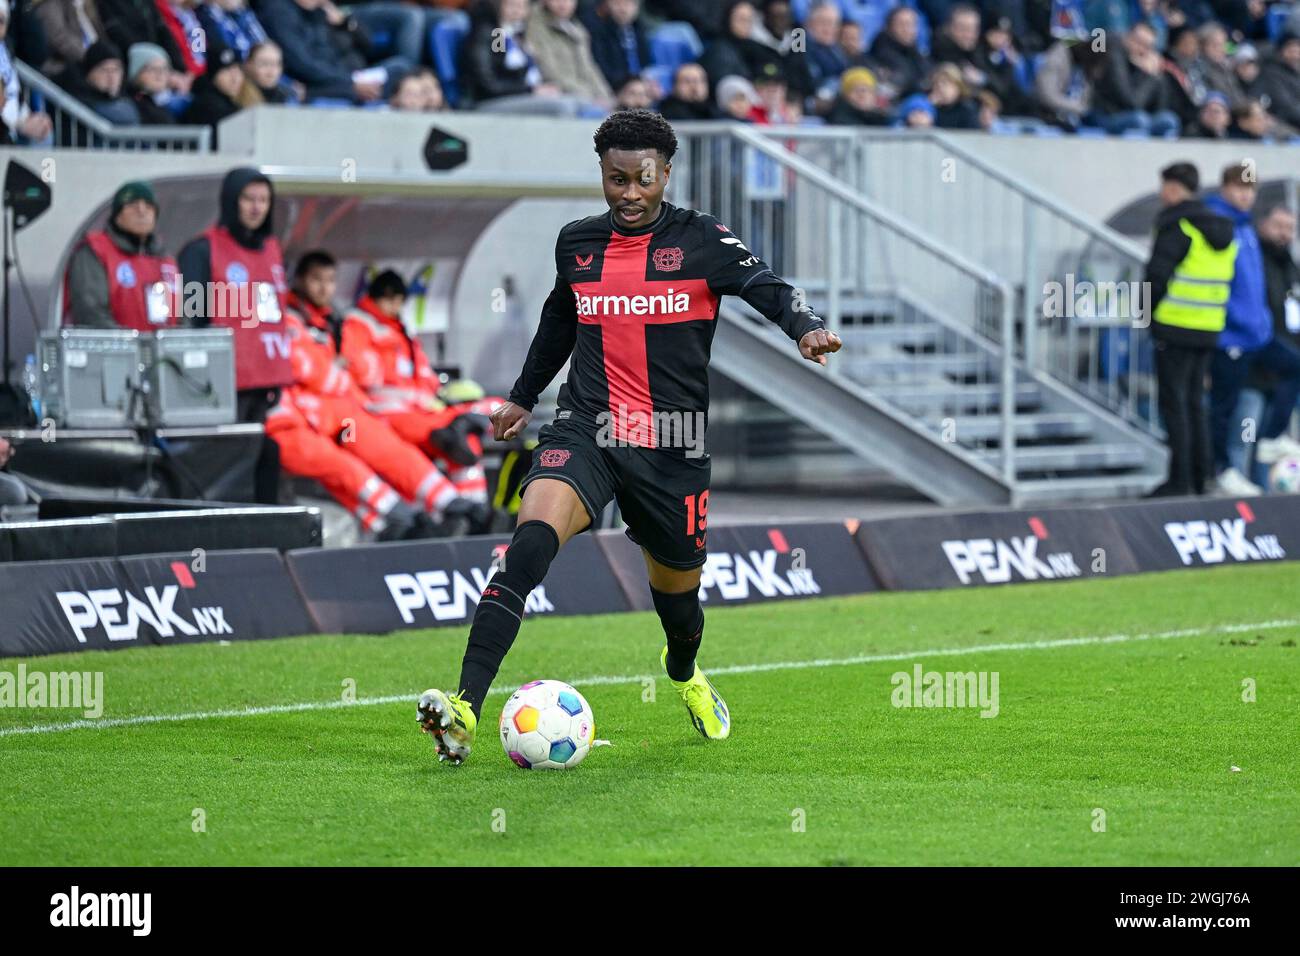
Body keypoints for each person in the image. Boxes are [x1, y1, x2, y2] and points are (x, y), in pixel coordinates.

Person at [414, 108, 841, 764]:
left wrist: (805, 327)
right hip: (587, 428)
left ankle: (683, 674)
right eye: (617, 180)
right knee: (529, 543)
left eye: (644, 179)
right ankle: (466, 705)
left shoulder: (701, 240)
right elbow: (560, 317)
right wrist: (523, 399)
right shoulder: (578, 244)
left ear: (666, 174)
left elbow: (768, 287)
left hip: (672, 445)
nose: (630, 194)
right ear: (603, 176)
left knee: (680, 611)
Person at [271, 250, 483, 537]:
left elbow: (337, 373)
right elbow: (312, 369)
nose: (324, 287)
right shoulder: (293, 319)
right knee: (345, 466)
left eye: (330, 280)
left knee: (387, 448)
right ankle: (401, 519)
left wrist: (343, 384)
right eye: (316, 279)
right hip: (314, 415)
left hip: (340, 411)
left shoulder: (331, 320)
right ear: (299, 280)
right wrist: (339, 377)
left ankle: (452, 507)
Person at [177, 167, 293, 508]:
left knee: (267, 462)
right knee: (229, 473)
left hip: (268, 383)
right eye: (248, 199)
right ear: (231, 201)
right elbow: (191, 321)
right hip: (224, 388)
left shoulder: (272, 249)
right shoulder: (201, 250)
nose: (257, 208)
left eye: (263, 200)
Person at [341, 270, 498, 514]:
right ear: (383, 298)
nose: (397, 307)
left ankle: (474, 510)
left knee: (495, 408)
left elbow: (422, 372)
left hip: (421, 409)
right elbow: (360, 370)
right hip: (386, 414)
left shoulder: (400, 329)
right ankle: (471, 512)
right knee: (456, 437)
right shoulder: (358, 325)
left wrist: (440, 393)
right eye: (394, 300)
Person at [1142, 162, 1236, 497]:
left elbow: (1157, 276)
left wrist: (1145, 315)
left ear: (1172, 188)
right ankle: (1201, 478)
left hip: (1175, 326)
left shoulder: (1177, 225)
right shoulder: (1224, 228)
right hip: (1209, 327)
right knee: (1196, 404)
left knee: (1175, 405)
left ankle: (1179, 480)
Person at [1205, 162, 1300, 494]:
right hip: (1243, 356)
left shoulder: (1284, 261)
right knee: (1242, 428)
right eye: (1279, 225)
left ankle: (1261, 499)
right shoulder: (1226, 228)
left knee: (1260, 440)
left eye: (1291, 227)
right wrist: (1245, 321)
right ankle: (1225, 475)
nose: (1285, 233)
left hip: (1260, 344)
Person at [64, 180, 180, 329]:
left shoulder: (166, 260)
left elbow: (182, 316)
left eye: (149, 206)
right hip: (112, 350)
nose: (142, 211)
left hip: (161, 350)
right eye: (132, 205)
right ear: (117, 215)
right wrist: (133, 346)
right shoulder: (95, 250)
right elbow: (91, 313)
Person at [525, 0, 612, 108]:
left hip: (584, 95)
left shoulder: (578, 29)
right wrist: (589, 97)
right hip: (559, 94)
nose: (563, 3)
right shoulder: (535, 25)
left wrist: (606, 97)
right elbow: (548, 69)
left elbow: (589, 68)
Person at [181, 39, 246, 142]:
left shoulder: (226, 102)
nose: (235, 79)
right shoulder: (207, 105)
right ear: (213, 75)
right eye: (227, 71)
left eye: (239, 71)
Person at [868, 4, 930, 97]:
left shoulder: (916, 53)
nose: (907, 30)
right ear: (889, 27)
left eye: (912, 24)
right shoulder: (880, 52)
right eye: (901, 24)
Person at [126, 42, 177, 124]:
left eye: (164, 69)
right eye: (153, 69)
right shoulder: (130, 106)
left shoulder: (161, 104)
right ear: (136, 72)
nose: (159, 74)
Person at [656, 62, 721, 120]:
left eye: (701, 81)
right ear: (675, 86)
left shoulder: (716, 110)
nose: (694, 86)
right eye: (687, 81)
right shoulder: (668, 113)